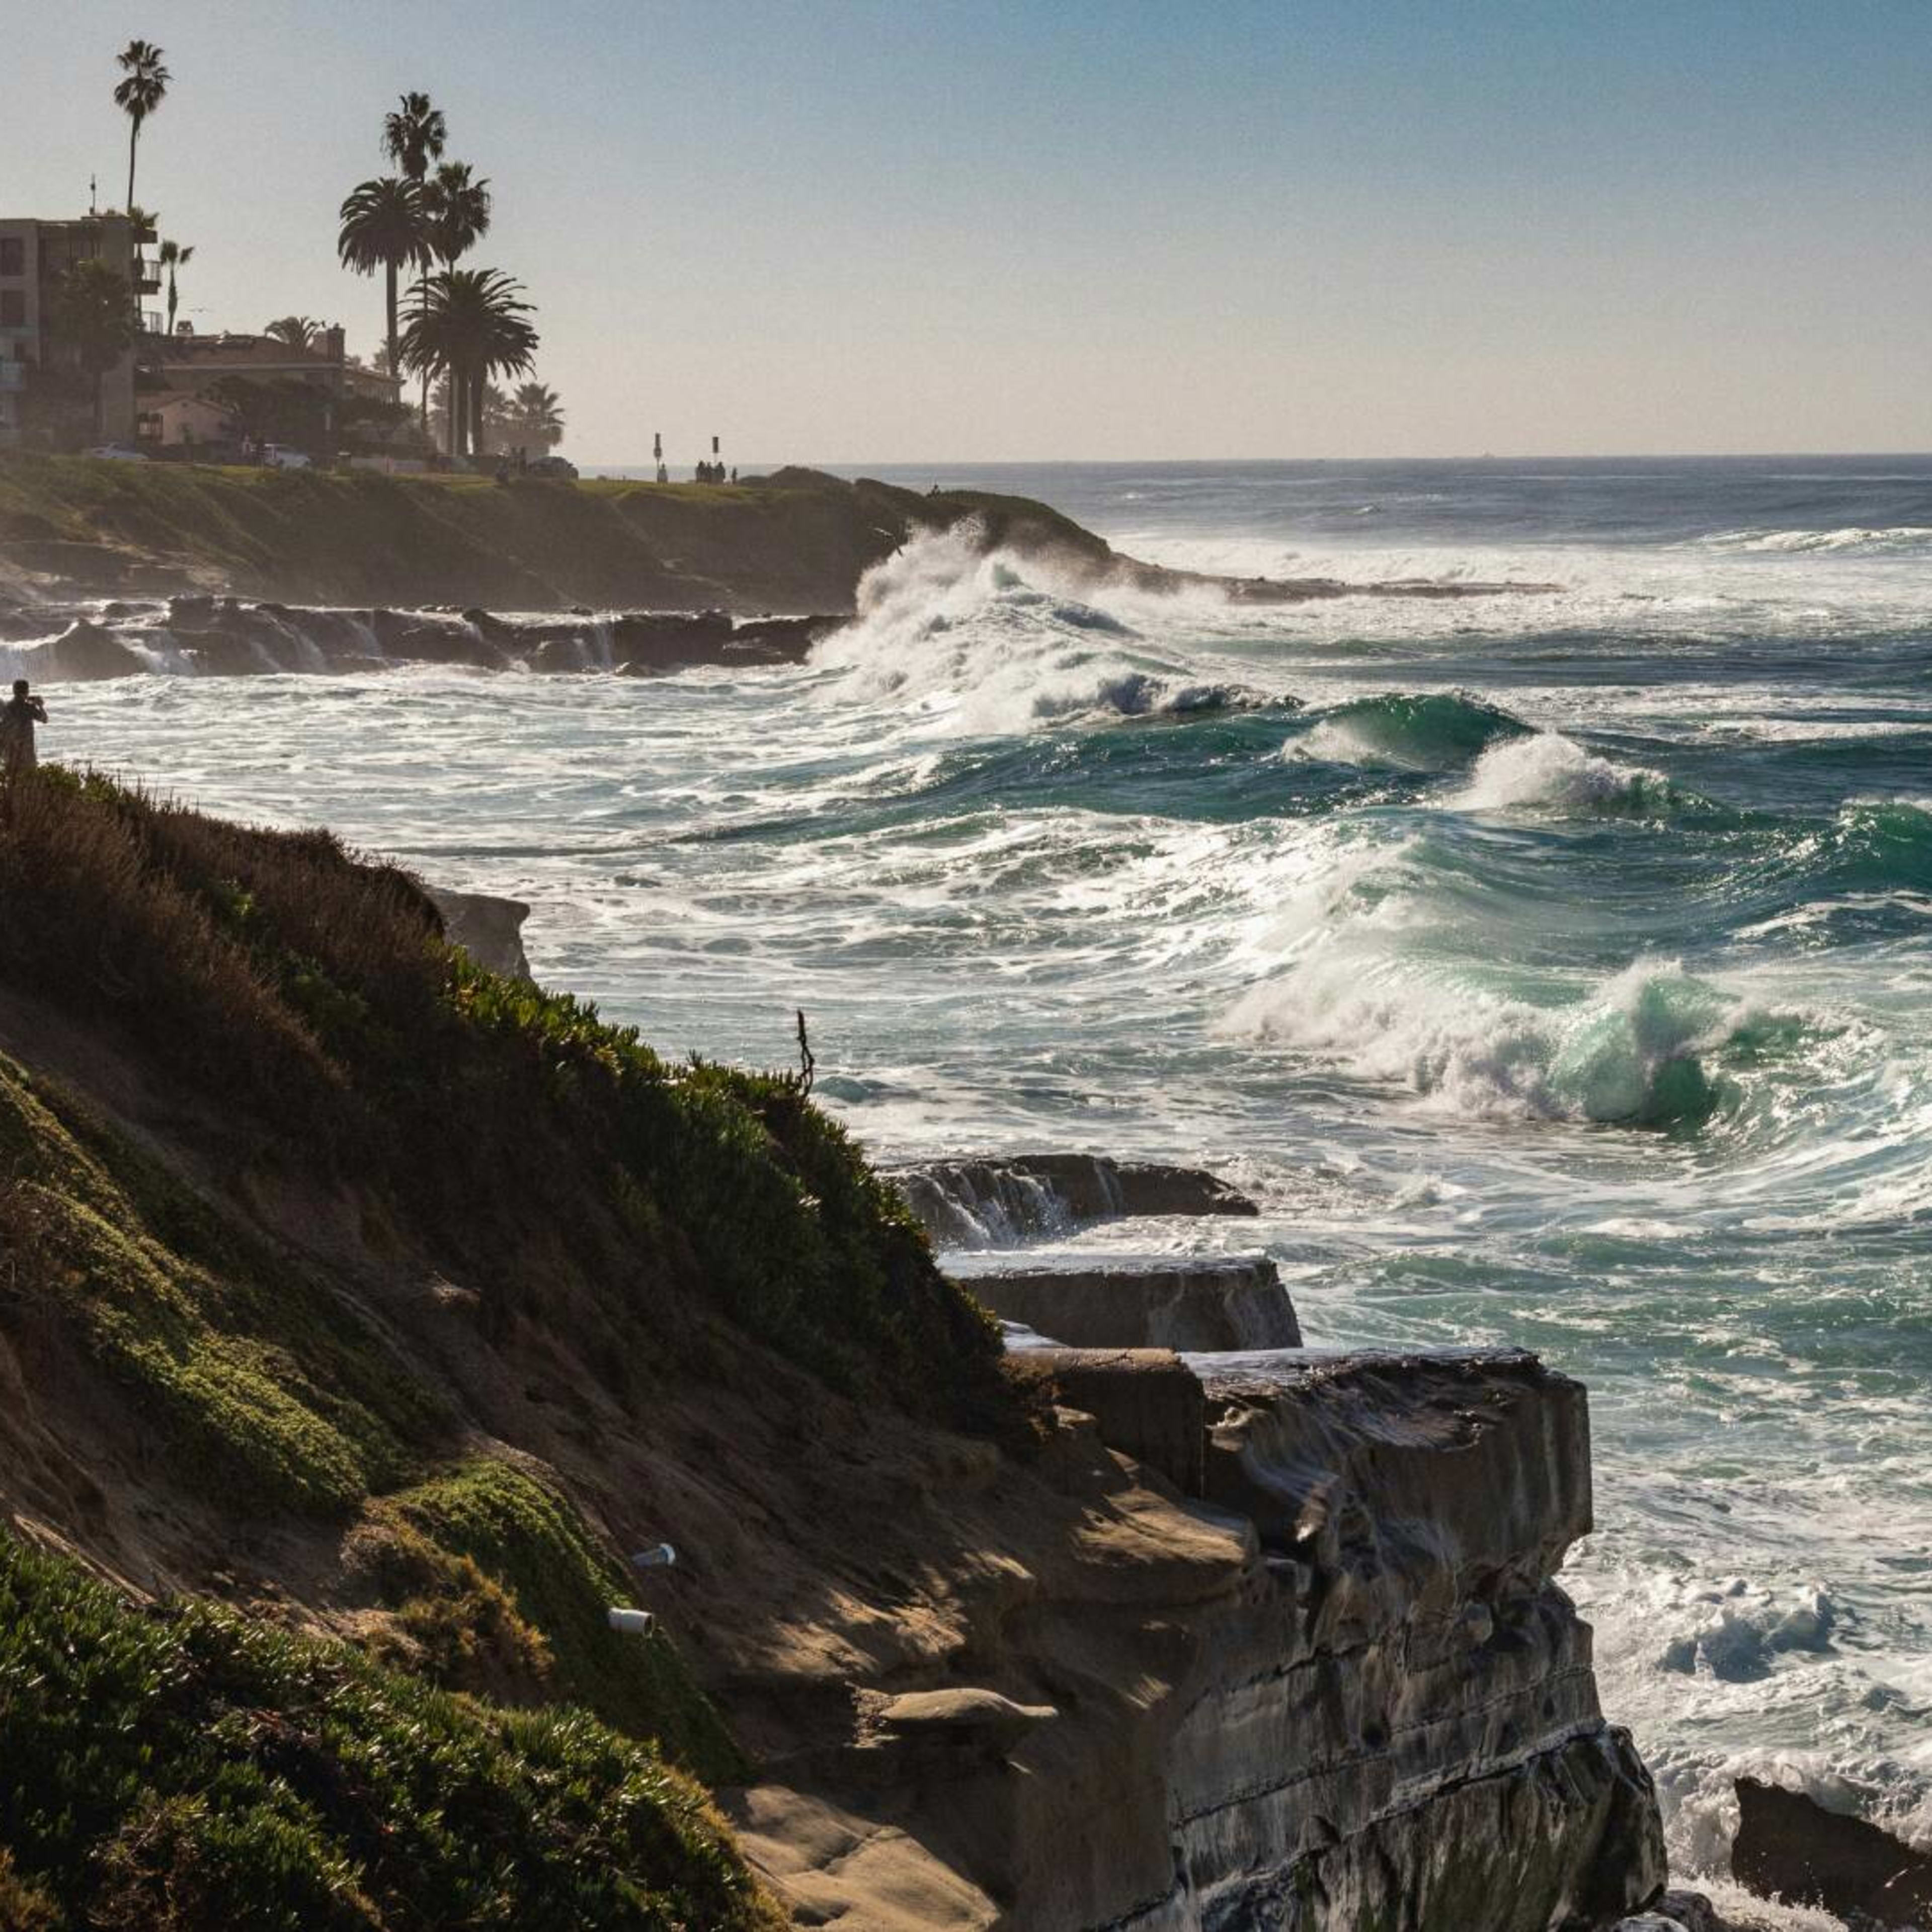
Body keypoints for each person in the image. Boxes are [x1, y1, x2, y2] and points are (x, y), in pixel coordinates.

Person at [1, 679, 46, 780]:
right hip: (27, 753)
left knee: (12, 783)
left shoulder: (7, 707)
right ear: (26, 692)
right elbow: (45, 719)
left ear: (14, 691)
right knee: (29, 782)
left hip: (10, 753)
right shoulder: (28, 708)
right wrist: (40, 706)